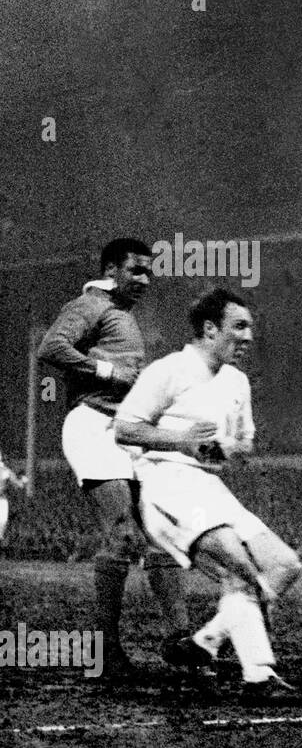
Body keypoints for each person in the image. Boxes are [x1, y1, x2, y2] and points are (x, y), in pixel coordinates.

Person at [114, 287, 302, 701]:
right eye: (239, 327)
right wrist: (181, 441)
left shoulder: (237, 382)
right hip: (168, 482)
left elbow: (244, 446)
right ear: (209, 329)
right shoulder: (169, 370)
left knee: (285, 566)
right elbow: (126, 429)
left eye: (250, 327)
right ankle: (259, 677)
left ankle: (202, 643)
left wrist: (222, 449)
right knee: (241, 571)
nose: (249, 337)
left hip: (210, 486)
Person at [37, 237, 193, 680]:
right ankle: (103, 652)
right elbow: (50, 348)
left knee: (159, 532)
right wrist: (108, 371)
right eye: (135, 270)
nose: (145, 279)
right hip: (93, 425)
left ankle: (182, 639)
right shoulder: (91, 304)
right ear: (110, 269)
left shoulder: (124, 315)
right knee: (124, 535)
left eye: (149, 271)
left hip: (126, 431)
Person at [0, 447, 27, 543]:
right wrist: (23, 481)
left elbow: (18, 484)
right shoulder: (5, 470)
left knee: (2, 523)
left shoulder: (5, 471)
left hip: (2, 499)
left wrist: (22, 481)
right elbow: (19, 484)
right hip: (2, 499)